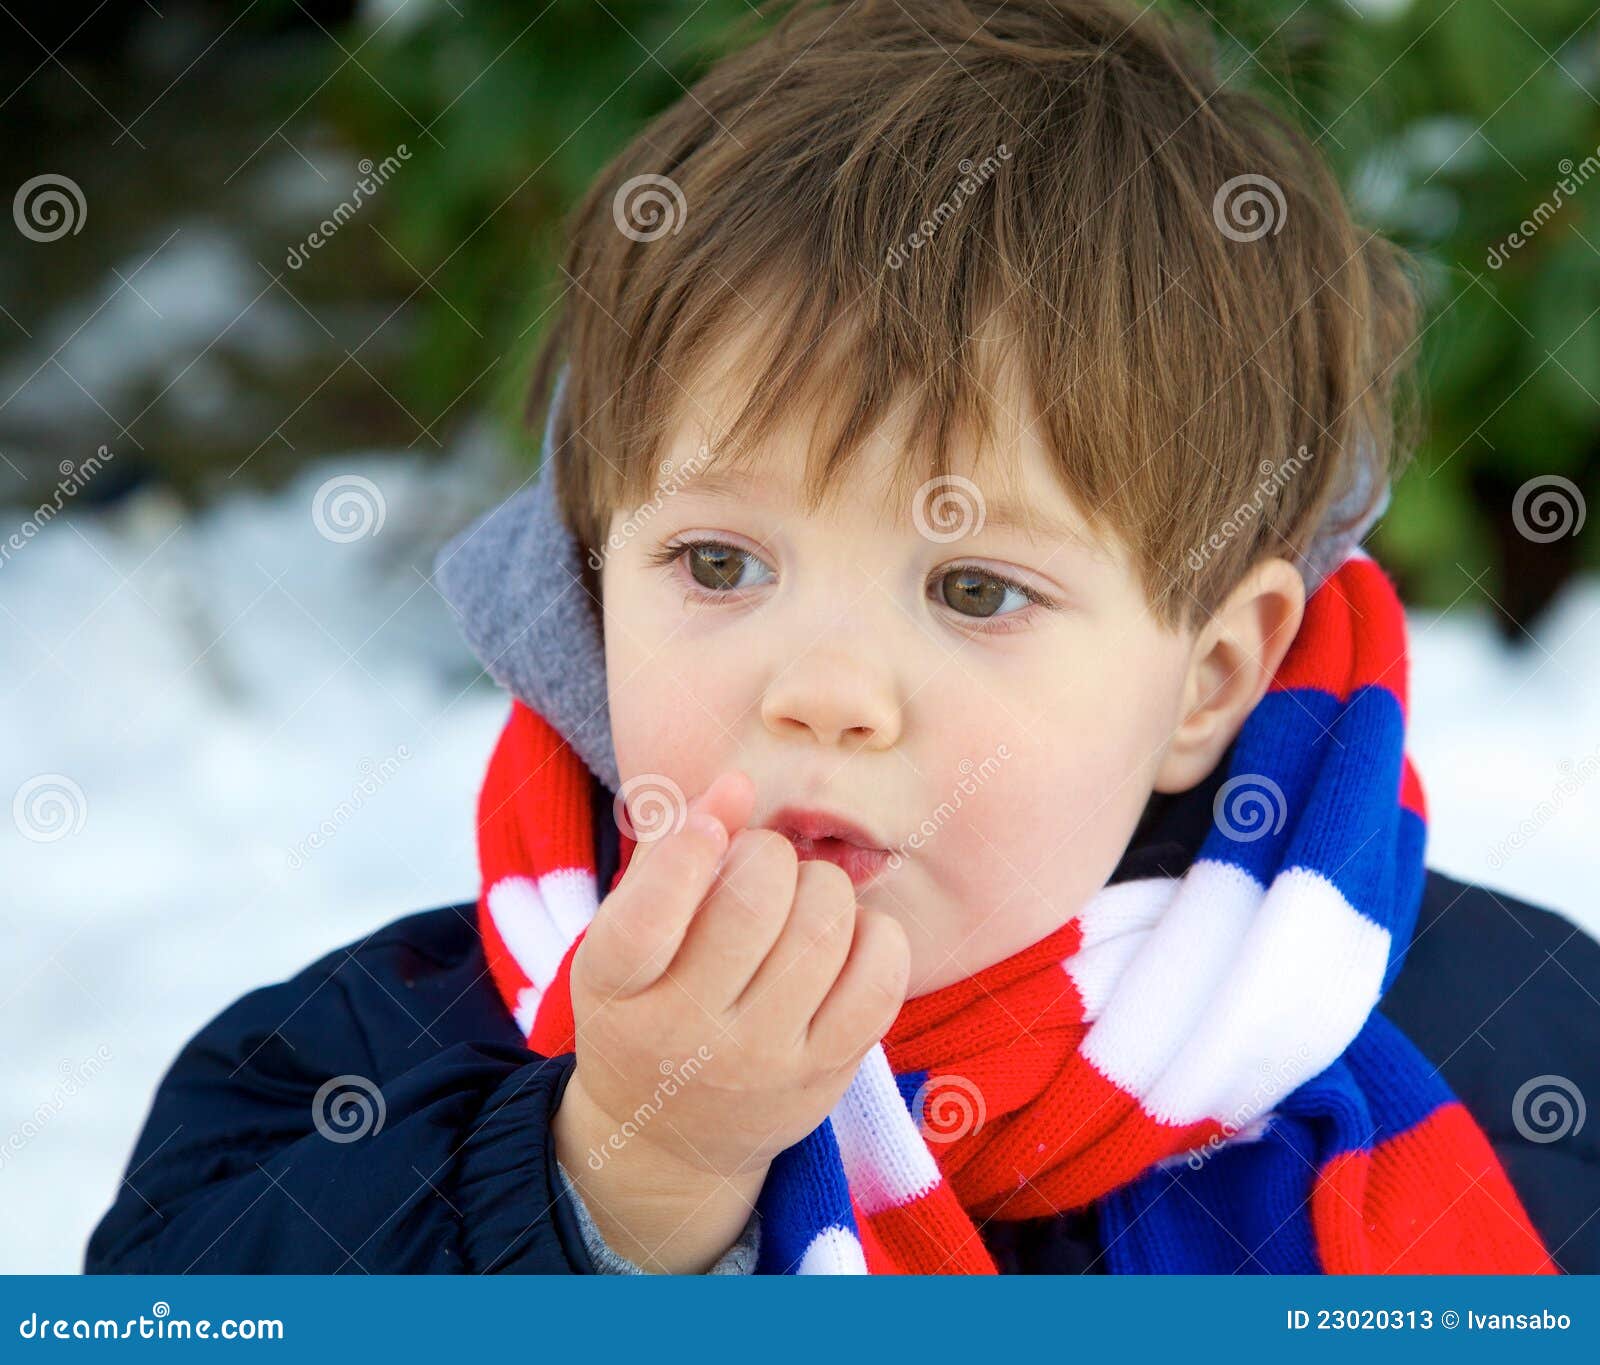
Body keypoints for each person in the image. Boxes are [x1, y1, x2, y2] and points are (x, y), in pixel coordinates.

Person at [87, 0, 1599, 1275]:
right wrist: (620, 1181)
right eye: (720, 561)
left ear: (1209, 677)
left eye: (976, 590)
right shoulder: (356, 1073)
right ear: (596, 591)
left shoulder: (1524, 1052)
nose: (822, 692)